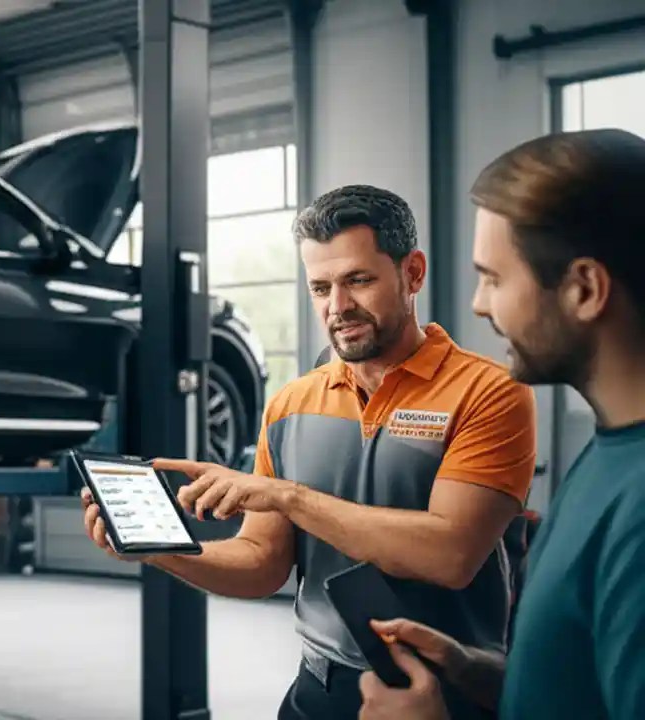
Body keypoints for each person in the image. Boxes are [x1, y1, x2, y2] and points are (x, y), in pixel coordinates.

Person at [80, 184, 539, 720]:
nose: (337, 307)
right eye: (321, 287)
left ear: (412, 273)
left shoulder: (488, 392)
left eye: (358, 280)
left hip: (445, 693)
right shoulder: (290, 404)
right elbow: (261, 562)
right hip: (318, 689)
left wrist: (287, 496)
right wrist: (158, 550)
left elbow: (451, 555)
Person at [357, 128, 645, 719]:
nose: (479, 304)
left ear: (584, 289)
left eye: (493, 278)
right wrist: (477, 673)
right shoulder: (608, 452)